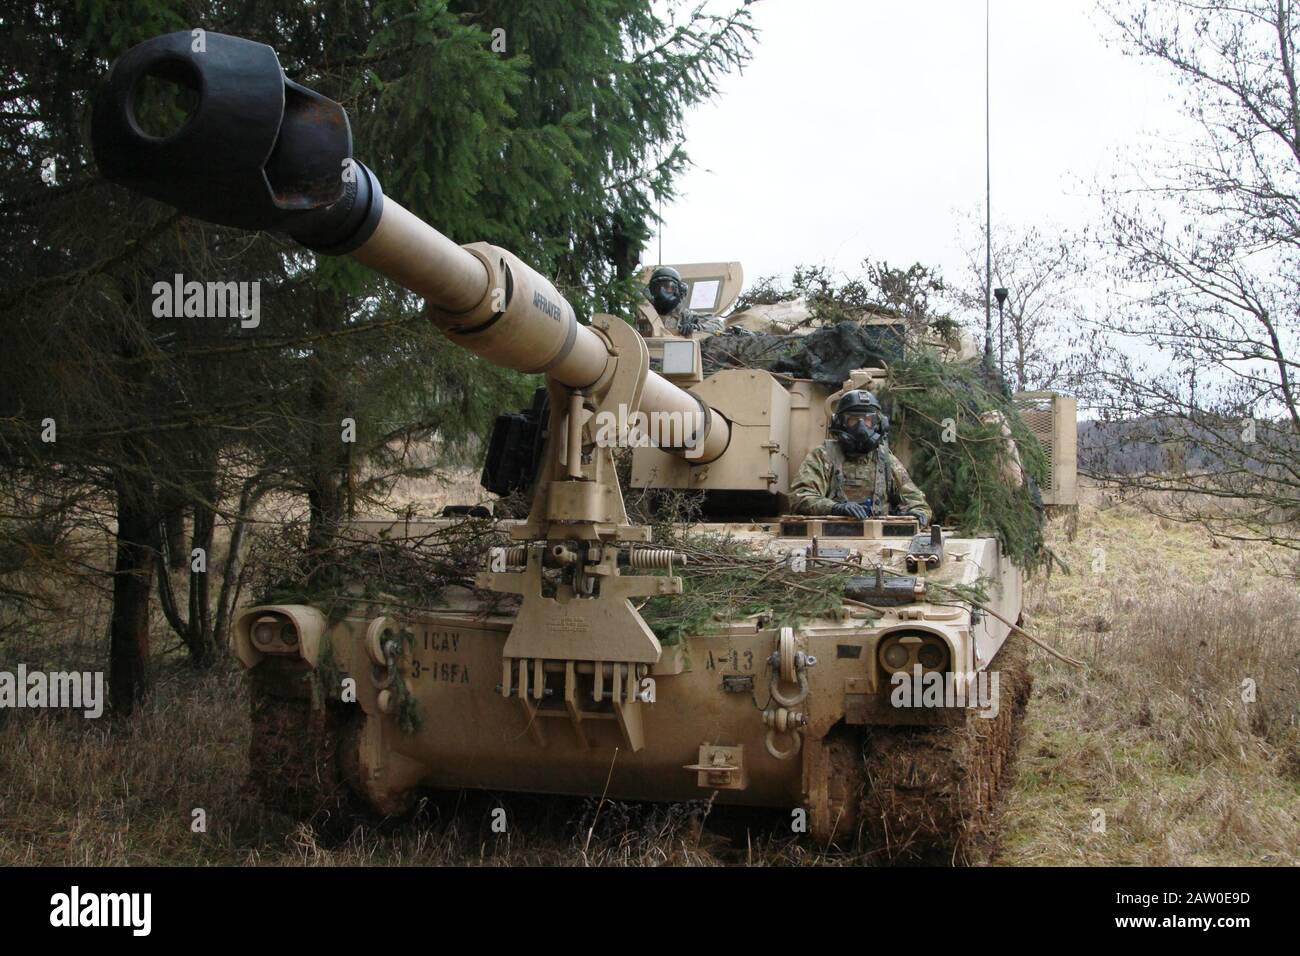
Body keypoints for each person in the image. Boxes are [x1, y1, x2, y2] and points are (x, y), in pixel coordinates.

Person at [790, 389, 931, 525]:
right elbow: (800, 497)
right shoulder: (823, 456)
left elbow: (916, 501)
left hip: (880, 538)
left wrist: (917, 513)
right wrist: (836, 508)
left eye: (867, 420)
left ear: (879, 424)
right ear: (840, 423)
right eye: (854, 419)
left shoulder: (886, 460)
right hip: (831, 536)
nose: (861, 427)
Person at [646, 265, 722, 335]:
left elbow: (718, 323)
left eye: (667, 286)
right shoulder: (643, 314)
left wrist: (695, 327)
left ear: (679, 290)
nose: (661, 291)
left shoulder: (685, 316)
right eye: (657, 287)